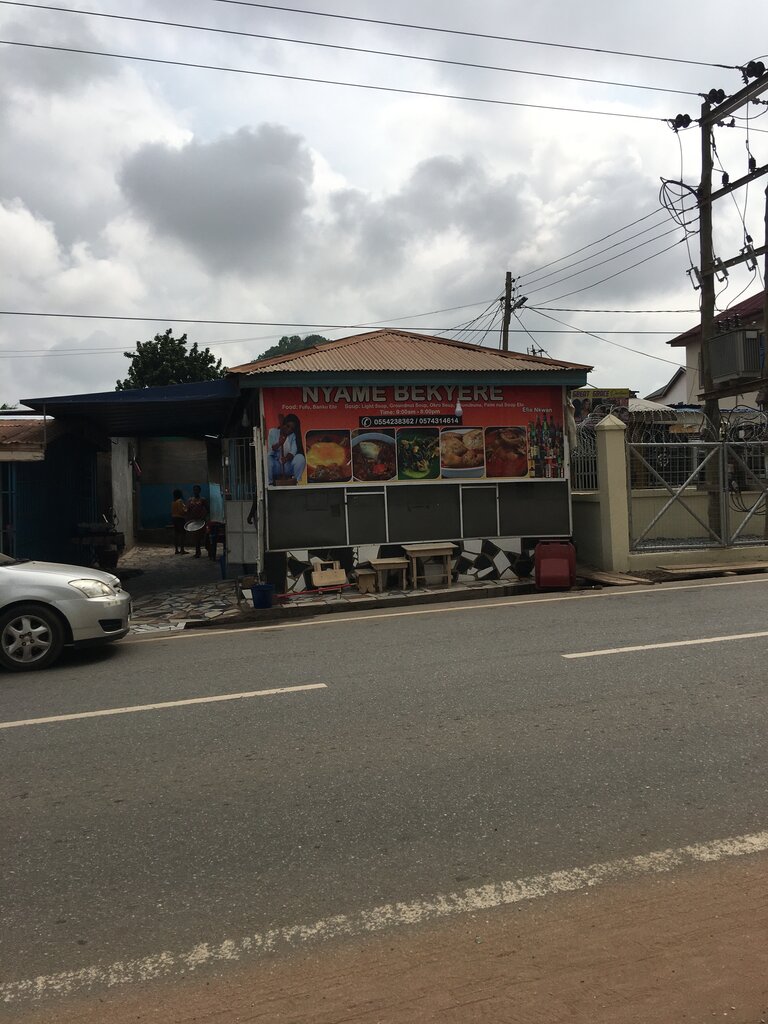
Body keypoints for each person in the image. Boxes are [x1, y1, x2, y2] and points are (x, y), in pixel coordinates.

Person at [267, 413, 306, 484]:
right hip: (276, 466)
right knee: (268, 459)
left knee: (300, 457)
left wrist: (286, 458)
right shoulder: (273, 432)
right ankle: (270, 482)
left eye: (292, 429)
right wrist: (279, 443)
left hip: (287, 466)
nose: (289, 429)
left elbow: (293, 451)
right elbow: (271, 450)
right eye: (288, 426)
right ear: (283, 424)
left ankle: (296, 480)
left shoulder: (293, 436)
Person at [185, 485, 209, 558]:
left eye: (197, 490)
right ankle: (197, 552)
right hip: (193, 521)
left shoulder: (203, 499)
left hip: (201, 521)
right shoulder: (190, 500)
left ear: (199, 491)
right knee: (196, 538)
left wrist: (203, 516)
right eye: (194, 490)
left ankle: (209, 550)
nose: (196, 491)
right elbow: (187, 510)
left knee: (205, 536)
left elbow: (208, 509)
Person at [171, 489, 187, 554]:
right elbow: (181, 511)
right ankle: (182, 549)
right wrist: (186, 510)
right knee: (182, 534)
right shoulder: (180, 501)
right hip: (180, 519)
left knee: (176, 534)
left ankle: (176, 550)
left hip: (174, 518)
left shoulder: (173, 502)